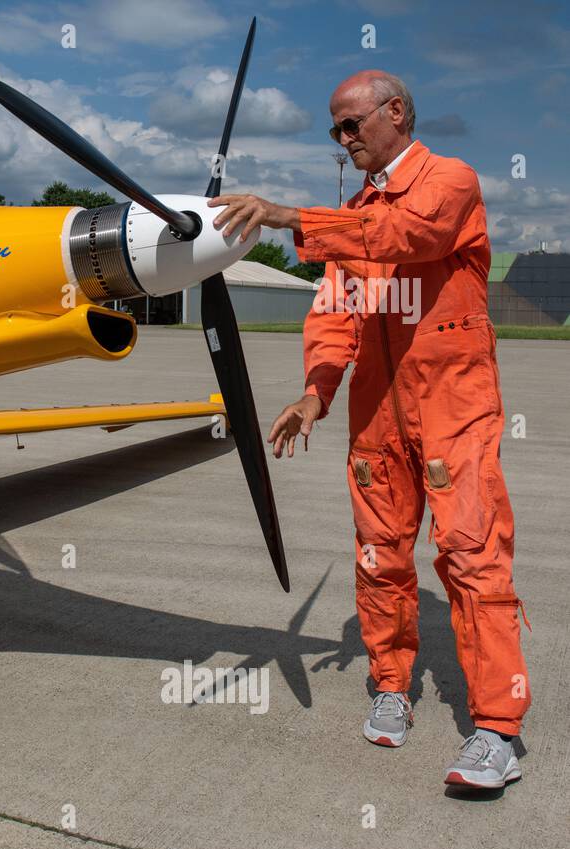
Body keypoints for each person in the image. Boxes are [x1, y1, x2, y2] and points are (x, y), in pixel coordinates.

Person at [206, 69, 530, 790]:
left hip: (456, 410)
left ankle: (498, 732)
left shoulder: (452, 181)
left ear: (396, 112)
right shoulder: (352, 215)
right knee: (381, 558)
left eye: (352, 124)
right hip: (377, 418)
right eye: (335, 129)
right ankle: (391, 684)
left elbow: (411, 235)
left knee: (473, 560)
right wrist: (318, 392)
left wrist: (293, 217)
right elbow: (334, 311)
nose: (343, 139)